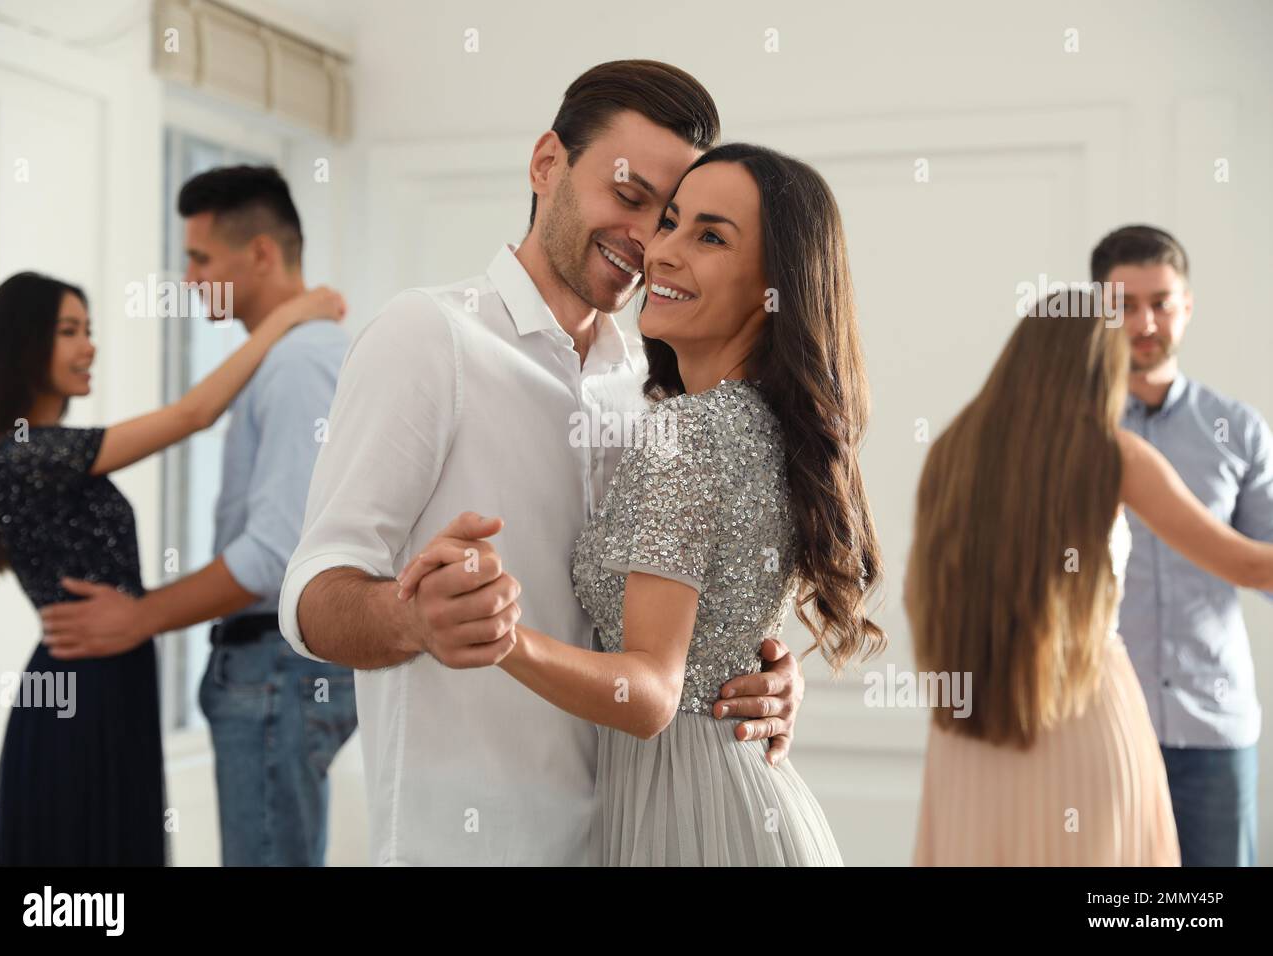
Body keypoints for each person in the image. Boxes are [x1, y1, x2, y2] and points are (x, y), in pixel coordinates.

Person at [280, 61, 808, 865]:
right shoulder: (428, 338)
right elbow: (312, 594)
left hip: (630, 839)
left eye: (668, 218)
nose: (644, 238)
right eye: (628, 198)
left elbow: (661, 633)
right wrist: (412, 618)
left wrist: (758, 673)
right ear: (546, 164)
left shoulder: (654, 384)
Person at [399, 143, 881, 865]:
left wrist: (497, 631)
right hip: (737, 804)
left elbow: (654, 691)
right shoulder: (760, 424)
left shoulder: (686, 432)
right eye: (672, 222)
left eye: (711, 237)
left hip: (693, 817)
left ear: (773, 286)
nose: (663, 252)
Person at [33, 166, 358, 866]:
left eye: (201, 259)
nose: (188, 279)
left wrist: (141, 615)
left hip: (273, 665)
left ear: (262, 254)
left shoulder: (299, 362)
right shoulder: (285, 354)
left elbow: (273, 553)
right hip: (273, 667)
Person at [0, 270, 339, 865]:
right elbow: (193, 414)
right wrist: (287, 317)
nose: (89, 345)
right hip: (79, 694)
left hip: (108, 682)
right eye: (70, 331)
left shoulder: (43, 452)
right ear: (23, 342)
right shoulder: (23, 456)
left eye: (88, 329)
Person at [907, 292, 1273, 865]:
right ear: (1103, 365)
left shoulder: (951, 450)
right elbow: (1250, 564)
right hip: (1084, 711)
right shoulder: (1111, 455)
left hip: (970, 728)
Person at [1093, 225, 1270, 866]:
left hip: (1214, 727)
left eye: (1162, 301)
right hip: (1101, 725)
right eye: (1125, 304)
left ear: (1187, 305)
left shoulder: (1240, 430)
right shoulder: (1068, 434)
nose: (1145, 322)